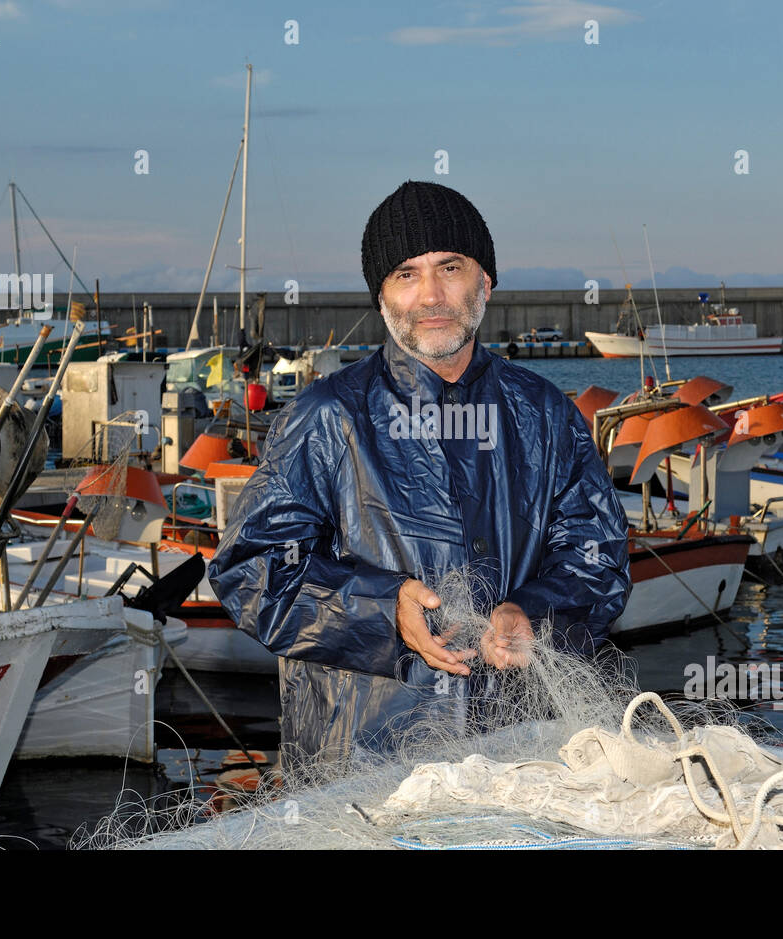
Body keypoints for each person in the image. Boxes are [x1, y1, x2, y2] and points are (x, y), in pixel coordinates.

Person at [207, 180, 631, 768]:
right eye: (405, 274)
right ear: (381, 298)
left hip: (521, 762)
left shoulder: (545, 414)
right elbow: (249, 571)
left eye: (449, 267)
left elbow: (597, 556)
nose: (430, 295)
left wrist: (531, 611)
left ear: (485, 282)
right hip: (362, 771)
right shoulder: (328, 417)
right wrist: (383, 610)